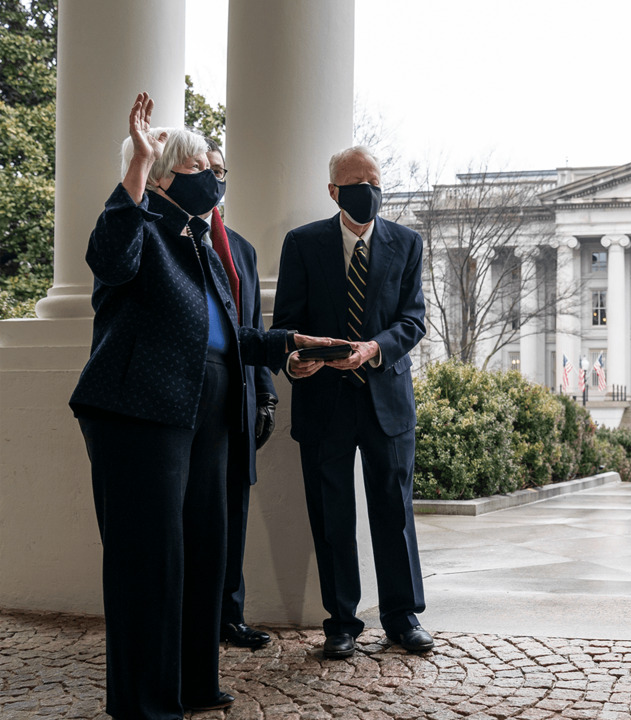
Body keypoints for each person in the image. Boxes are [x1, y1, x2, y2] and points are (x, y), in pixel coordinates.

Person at [69, 93, 338, 719]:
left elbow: (232, 336)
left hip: (209, 416)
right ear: (162, 178)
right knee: (149, 562)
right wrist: (133, 167)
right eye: (199, 171)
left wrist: (293, 345)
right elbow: (107, 260)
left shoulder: (199, 242)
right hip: (141, 416)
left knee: (204, 552)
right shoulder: (139, 230)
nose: (214, 181)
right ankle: (144, 702)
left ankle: (193, 684)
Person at [272, 145, 432, 658]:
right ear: (334, 190)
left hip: (387, 400)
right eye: (357, 182)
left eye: (375, 180)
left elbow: (412, 320)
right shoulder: (302, 244)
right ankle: (341, 621)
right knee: (331, 514)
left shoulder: (408, 243)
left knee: (394, 512)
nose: (369, 190)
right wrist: (294, 362)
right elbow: (285, 327)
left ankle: (402, 618)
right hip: (325, 402)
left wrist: (373, 349)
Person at [203, 138, 277, 650]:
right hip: (197, 405)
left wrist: (267, 395)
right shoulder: (178, 239)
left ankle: (231, 616)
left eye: (220, 170)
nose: (214, 178)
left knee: (234, 515)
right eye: (205, 169)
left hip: (241, 405)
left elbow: (252, 327)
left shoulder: (243, 250)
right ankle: (196, 621)